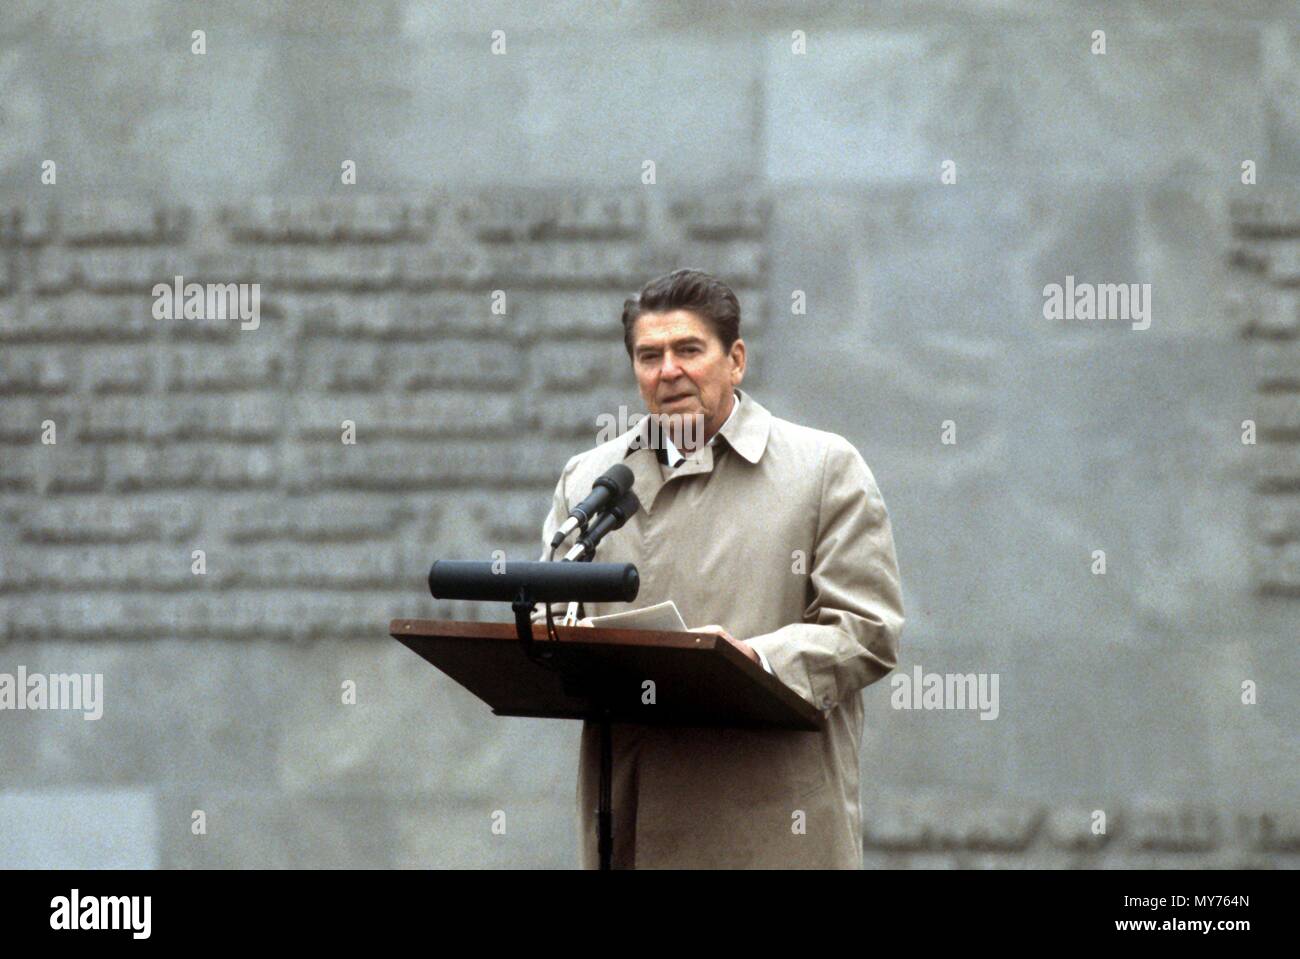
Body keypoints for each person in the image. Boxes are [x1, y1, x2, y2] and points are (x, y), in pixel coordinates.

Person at [536, 268, 904, 868]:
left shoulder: (823, 469)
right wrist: (554, 637)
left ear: (735, 360)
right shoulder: (592, 479)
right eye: (649, 355)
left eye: (688, 350)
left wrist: (752, 662)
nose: (668, 371)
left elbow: (866, 631)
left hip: (772, 818)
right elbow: (555, 610)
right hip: (631, 811)